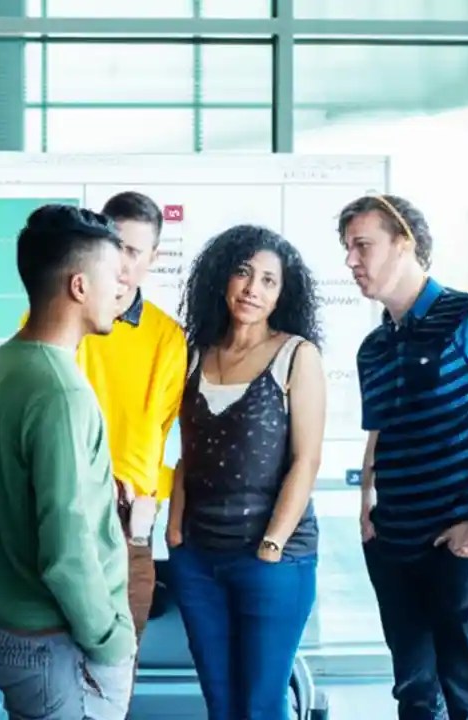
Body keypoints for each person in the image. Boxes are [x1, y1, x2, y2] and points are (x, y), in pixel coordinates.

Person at [343, 194, 468, 720]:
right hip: (396, 543)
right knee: (414, 693)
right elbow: (381, 432)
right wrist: (367, 504)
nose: (351, 261)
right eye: (347, 249)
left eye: (362, 245)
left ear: (404, 243)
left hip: (466, 546)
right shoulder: (374, 347)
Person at [0, 204, 135, 720]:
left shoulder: (3, 363)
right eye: (115, 276)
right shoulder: (61, 390)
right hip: (60, 645)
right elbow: (65, 547)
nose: (122, 290)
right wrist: (110, 641)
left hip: (16, 634)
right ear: (79, 286)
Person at [165, 224, 326, 720]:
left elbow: (307, 459)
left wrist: (272, 544)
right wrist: (175, 532)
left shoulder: (297, 354)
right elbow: (188, 452)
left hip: (272, 561)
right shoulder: (195, 353)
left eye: (269, 280)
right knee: (221, 703)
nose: (253, 289)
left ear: (283, 293)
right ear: (222, 278)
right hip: (198, 560)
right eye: (243, 273)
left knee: (260, 707)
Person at [78, 192, 186, 668]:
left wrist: (146, 501)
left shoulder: (167, 337)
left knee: (115, 679)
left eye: (135, 252)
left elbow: (163, 435)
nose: (122, 264)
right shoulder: (58, 316)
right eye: (115, 246)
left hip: (128, 527)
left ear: (153, 259)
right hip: (64, 510)